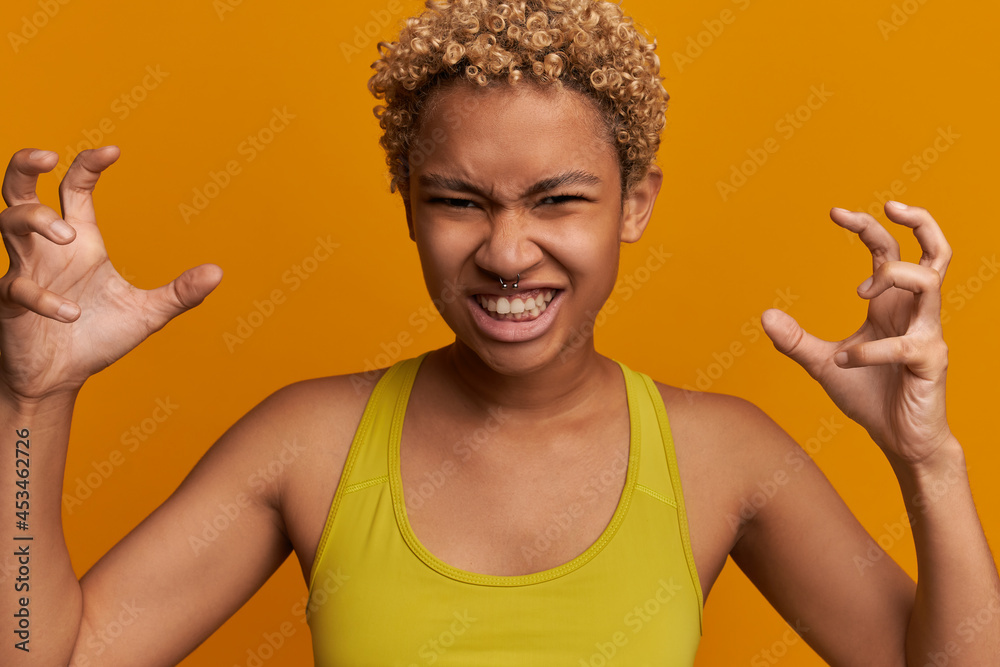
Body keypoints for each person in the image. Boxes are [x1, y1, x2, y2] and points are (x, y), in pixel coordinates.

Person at [2, 0, 997, 664]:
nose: (508, 251)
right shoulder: (307, 442)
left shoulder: (721, 455)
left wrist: (928, 459)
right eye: (458, 200)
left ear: (634, 202)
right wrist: (30, 400)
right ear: (406, 202)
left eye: (558, 198)